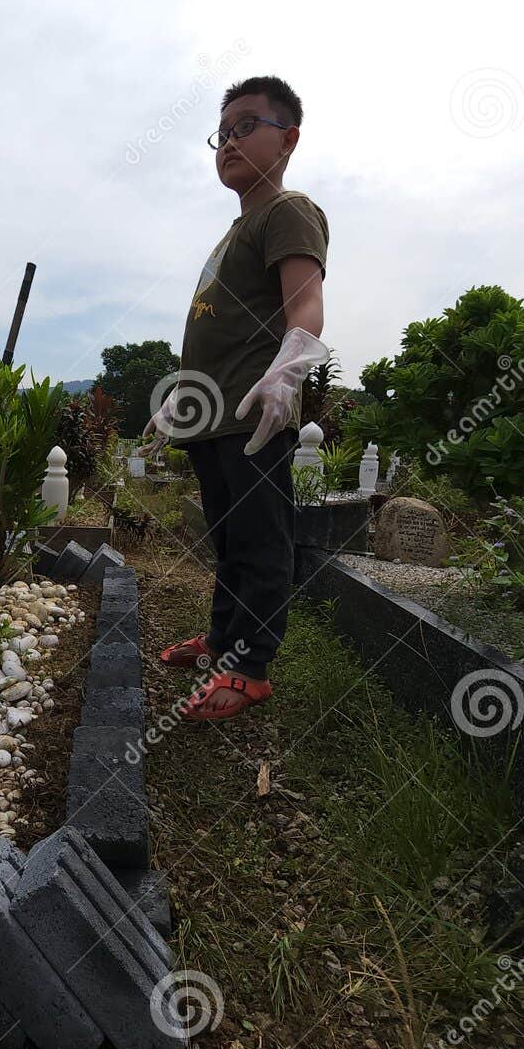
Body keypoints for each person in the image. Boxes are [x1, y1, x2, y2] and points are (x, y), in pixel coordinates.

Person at [141, 74, 329, 722]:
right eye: (222, 132)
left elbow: (305, 303)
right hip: (212, 419)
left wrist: (289, 371)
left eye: (247, 126)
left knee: (260, 539)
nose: (229, 141)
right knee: (226, 540)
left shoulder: (288, 211)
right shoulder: (233, 231)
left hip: (255, 416)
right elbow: (214, 336)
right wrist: (182, 400)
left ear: (289, 137)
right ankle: (222, 641)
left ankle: (250, 668)